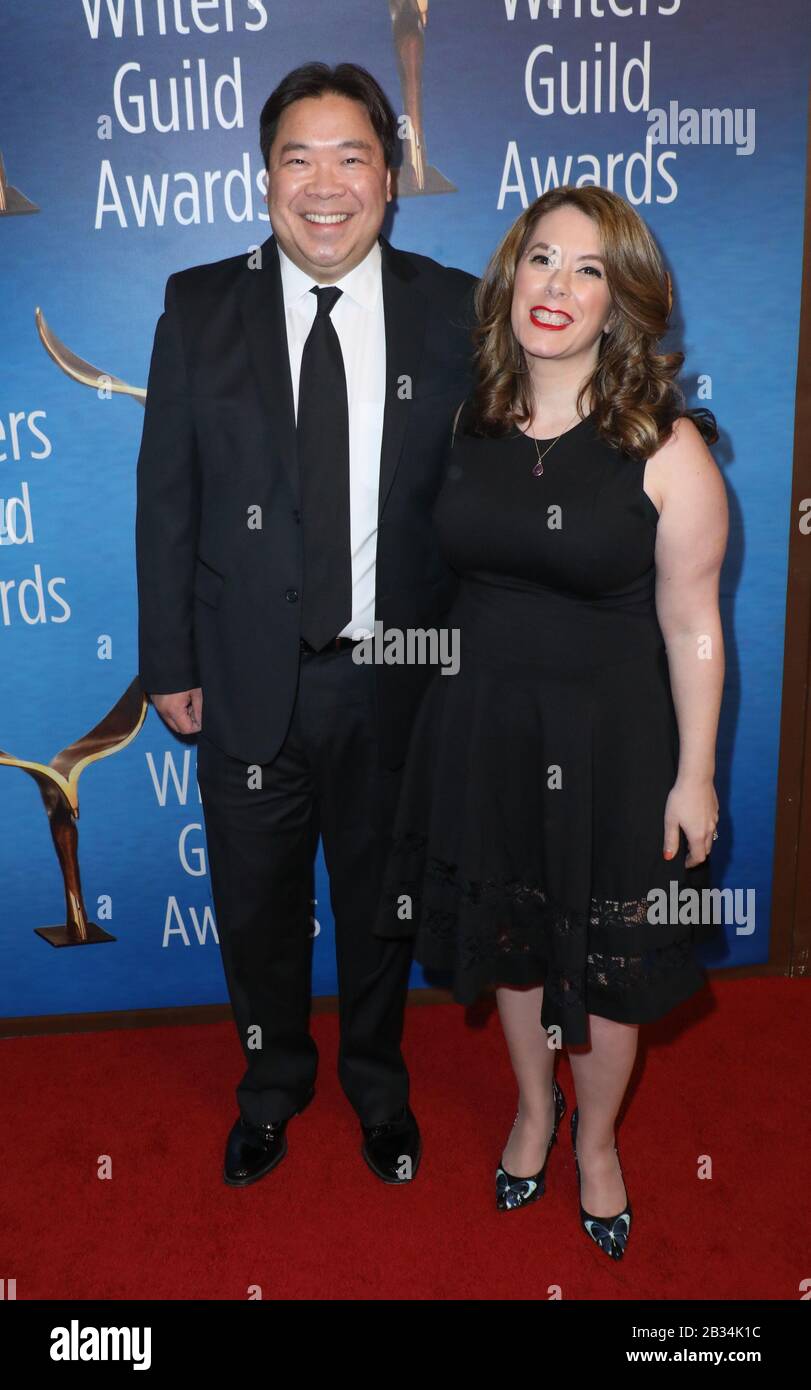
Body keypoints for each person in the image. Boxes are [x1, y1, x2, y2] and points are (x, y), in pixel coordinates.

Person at [135, 62, 477, 1187]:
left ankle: (379, 1086)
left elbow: (490, 500)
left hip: (394, 675)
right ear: (265, 176)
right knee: (255, 911)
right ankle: (271, 1085)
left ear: (391, 172)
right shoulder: (197, 305)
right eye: (297, 157)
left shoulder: (452, 307)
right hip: (242, 676)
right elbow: (166, 501)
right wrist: (168, 664)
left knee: (383, 908)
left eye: (351, 156)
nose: (324, 185)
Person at [375, 186, 728, 1258]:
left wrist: (695, 773)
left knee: (610, 961)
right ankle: (533, 1111)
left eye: (587, 269)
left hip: (616, 741)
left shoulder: (666, 449)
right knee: (516, 942)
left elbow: (694, 623)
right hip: (485, 727)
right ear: (509, 278)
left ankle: (598, 1145)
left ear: (622, 301)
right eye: (540, 259)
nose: (557, 286)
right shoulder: (467, 421)